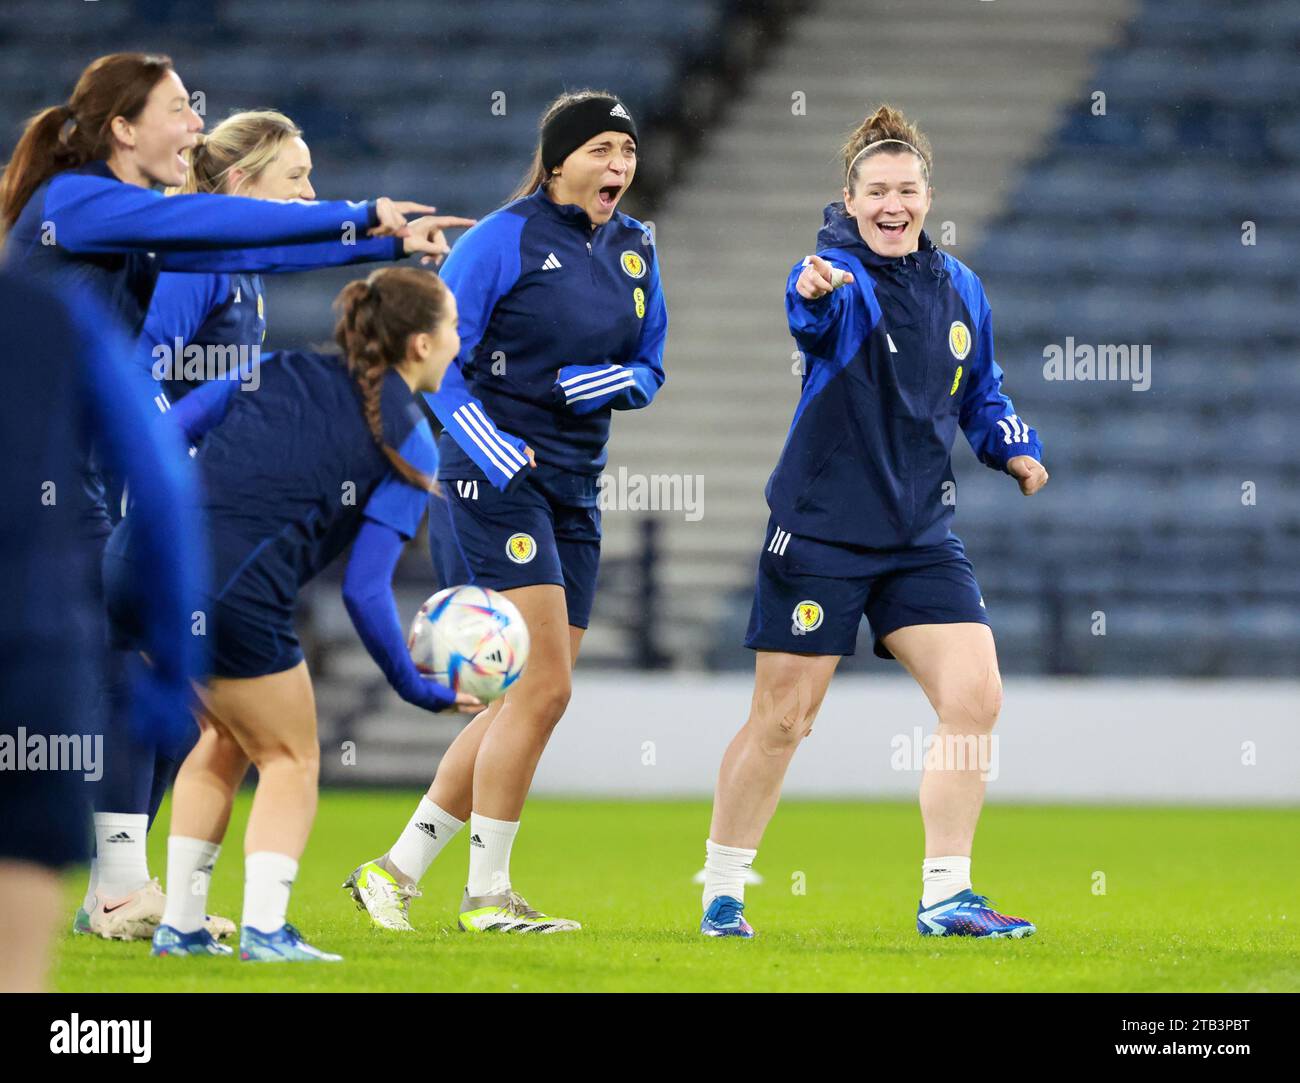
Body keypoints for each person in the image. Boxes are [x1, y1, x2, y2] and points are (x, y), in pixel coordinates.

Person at [0, 51, 459, 943]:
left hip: (68, 472)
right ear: (123, 129)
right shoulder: (75, 203)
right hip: (34, 474)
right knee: (105, 666)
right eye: (178, 111)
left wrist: (372, 241)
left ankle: (122, 888)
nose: (193, 128)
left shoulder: (138, 223)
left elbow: (237, 236)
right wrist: (357, 215)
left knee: (127, 665)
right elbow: (215, 233)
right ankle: (118, 888)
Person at [699, 104, 1048, 939]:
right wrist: (810, 289)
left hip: (921, 534)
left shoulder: (962, 288)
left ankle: (946, 894)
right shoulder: (835, 276)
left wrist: (1013, 447)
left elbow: (982, 392)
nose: (893, 204)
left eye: (908, 189)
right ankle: (722, 889)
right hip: (822, 529)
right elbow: (809, 309)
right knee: (784, 719)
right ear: (850, 201)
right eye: (877, 191)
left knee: (976, 696)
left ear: (928, 197)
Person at [344, 89, 667, 934]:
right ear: (558, 160)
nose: (620, 167)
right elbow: (431, 359)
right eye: (601, 150)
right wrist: (482, 439)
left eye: (627, 153)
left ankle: (394, 871)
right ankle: (487, 895)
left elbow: (652, 363)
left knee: (524, 700)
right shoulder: (499, 239)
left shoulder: (636, 248)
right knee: (542, 685)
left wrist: (608, 382)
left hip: (575, 485)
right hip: (495, 480)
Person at [103, 266, 480, 961]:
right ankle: (266, 930)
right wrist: (416, 687)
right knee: (292, 755)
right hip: (224, 590)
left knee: (224, 737)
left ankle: (182, 927)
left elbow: (163, 433)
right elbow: (367, 590)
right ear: (421, 345)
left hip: (134, 562)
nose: (462, 341)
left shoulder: (270, 366)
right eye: (454, 327)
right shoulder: (412, 442)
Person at [0, 274, 204, 990]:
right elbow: (163, 485)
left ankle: (119, 884)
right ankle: (116, 886)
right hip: (29, 640)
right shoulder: (57, 314)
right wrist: (173, 665)